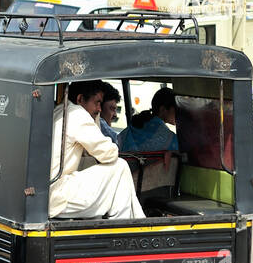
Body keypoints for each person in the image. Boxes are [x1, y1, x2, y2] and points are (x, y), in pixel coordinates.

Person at [49, 80, 144, 220]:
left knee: (111, 169)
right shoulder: (77, 114)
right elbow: (109, 154)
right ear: (80, 99)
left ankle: (133, 219)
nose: (99, 109)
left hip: (48, 193)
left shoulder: (59, 110)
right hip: (57, 196)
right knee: (120, 166)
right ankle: (126, 222)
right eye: (97, 102)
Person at [118, 87, 178, 154]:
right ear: (163, 110)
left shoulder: (137, 125)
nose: (179, 113)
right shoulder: (170, 138)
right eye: (176, 109)